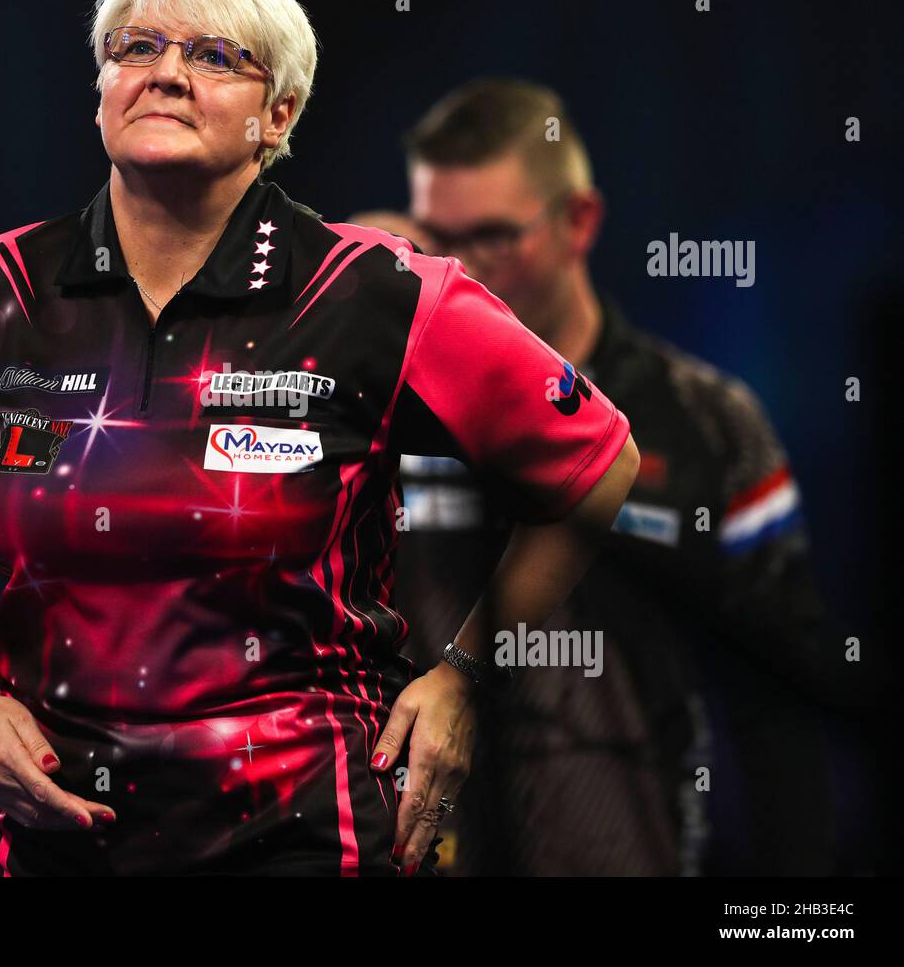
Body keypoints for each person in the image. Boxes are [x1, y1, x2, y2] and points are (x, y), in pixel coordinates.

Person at [0, 0, 639, 878]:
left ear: (281, 115)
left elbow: (596, 465)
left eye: (217, 55)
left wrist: (463, 676)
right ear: (101, 90)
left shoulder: (382, 295)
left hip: (312, 837)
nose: (167, 72)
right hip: (54, 841)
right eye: (135, 47)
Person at [353, 78, 863, 876]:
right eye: (436, 238)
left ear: (578, 221)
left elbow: (781, 698)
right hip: (419, 848)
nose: (460, 268)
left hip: (641, 845)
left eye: (492, 235)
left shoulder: (708, 421)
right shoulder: (381, 400)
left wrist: (798, 909)